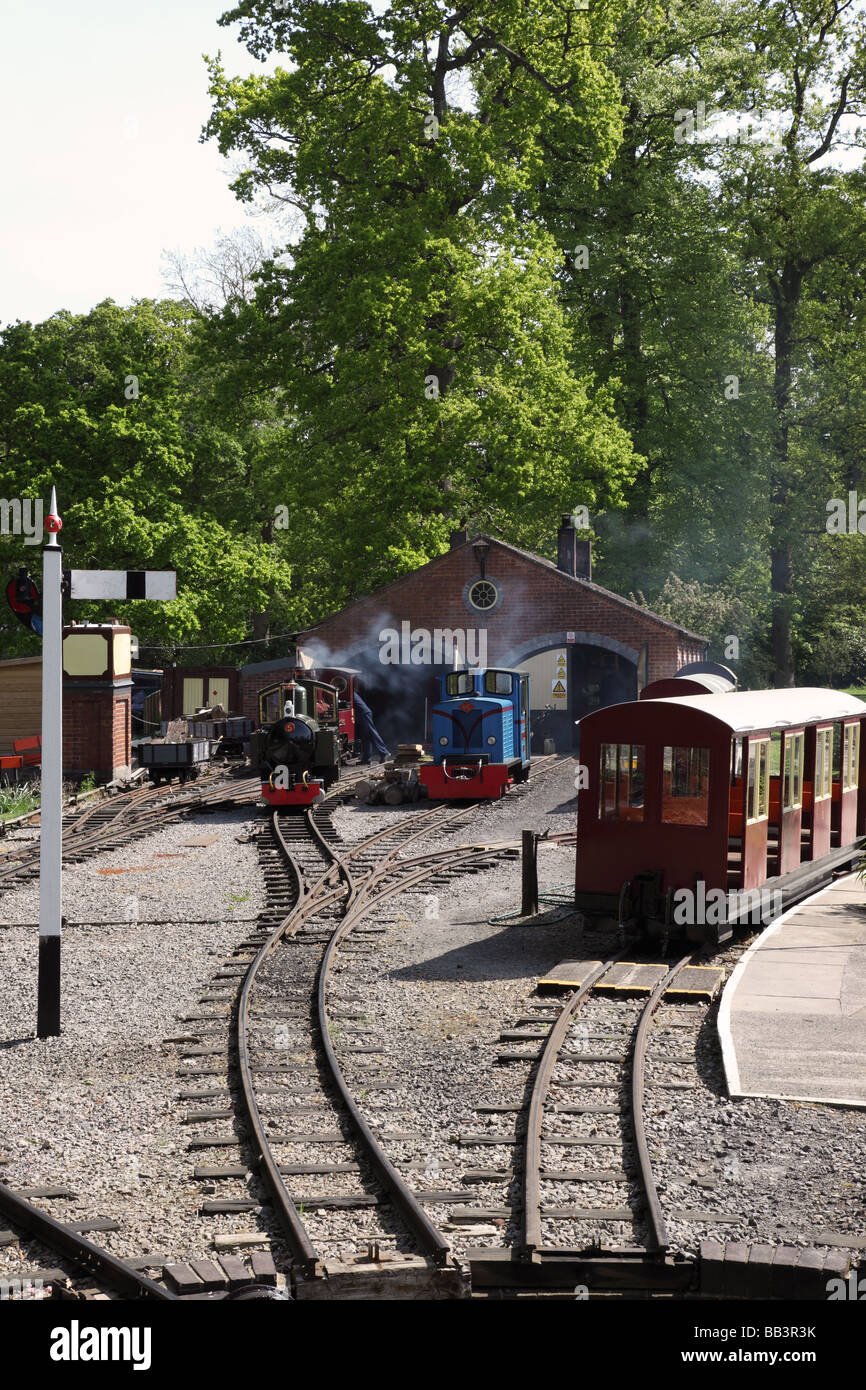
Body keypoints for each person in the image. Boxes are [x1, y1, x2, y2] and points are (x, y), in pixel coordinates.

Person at [353, 689, 390, 764]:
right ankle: (366, 759)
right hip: (362, 714)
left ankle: (384, 752)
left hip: (364, 714)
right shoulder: (350, 692)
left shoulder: (349, 693)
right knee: (366, 736)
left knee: (372, 733)